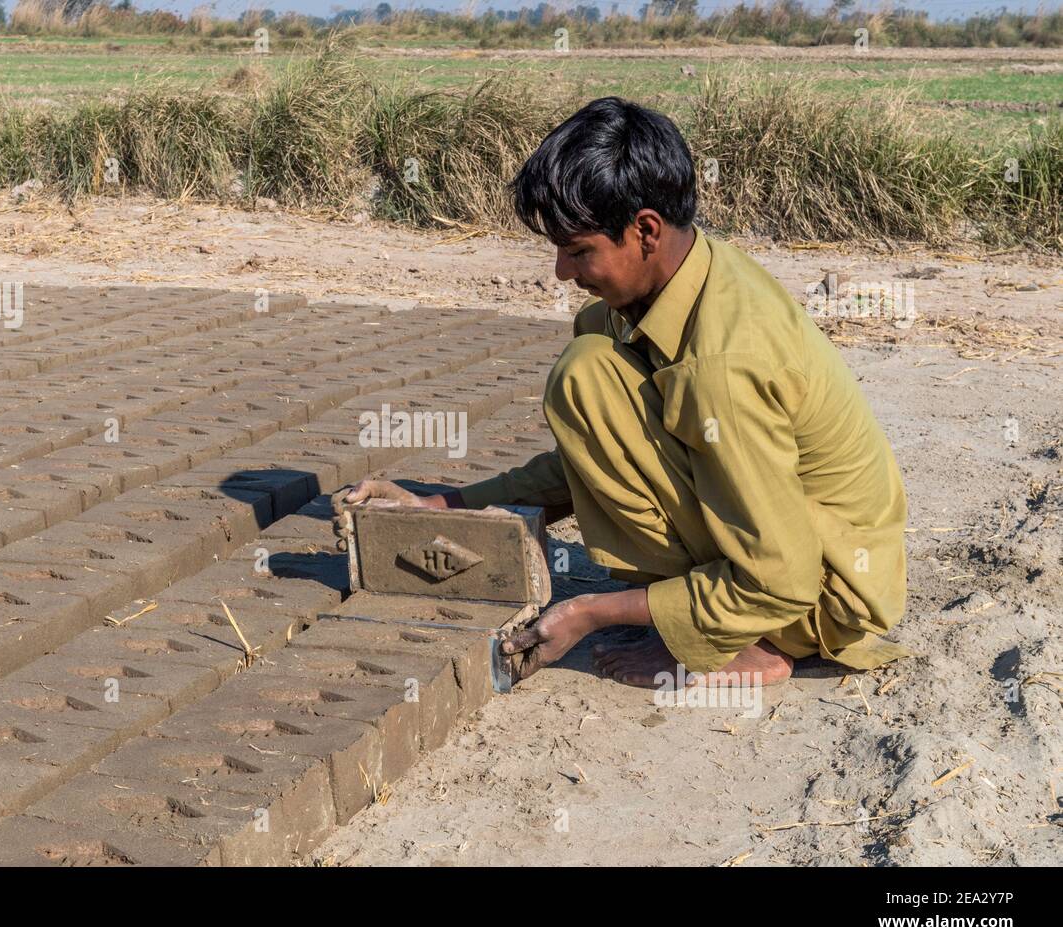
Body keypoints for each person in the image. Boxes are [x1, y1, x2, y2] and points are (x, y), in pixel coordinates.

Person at [345, 97, 912, 688]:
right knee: (593, 358)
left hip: (817, 596)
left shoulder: (721, 365)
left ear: (645, 230)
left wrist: (591, 613)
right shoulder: (678, 281)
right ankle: (715, 617)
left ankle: (742, 640)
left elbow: (782, 577)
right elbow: (602, 461)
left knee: (584, 374)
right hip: (797, 555)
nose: (563, 273)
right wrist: (441, 508)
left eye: (579, 250)